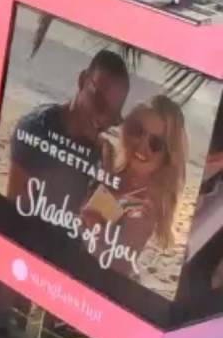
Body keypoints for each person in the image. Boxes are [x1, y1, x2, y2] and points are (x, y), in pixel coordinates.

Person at [79, 95, 187, 276]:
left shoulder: (145, 207)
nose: (142, 147)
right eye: (138, 131)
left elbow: (115, 270)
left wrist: (94, 225)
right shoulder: (112, 167)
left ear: (167, 155)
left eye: (155, 143)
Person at [6, 50, 130, 208]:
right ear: (82, 80)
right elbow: (12, 214)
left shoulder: (102, 155)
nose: (103, 118)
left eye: (113, 115)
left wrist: (107, 174)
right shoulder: (36, 130)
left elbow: (88, 224)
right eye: (99, 102)